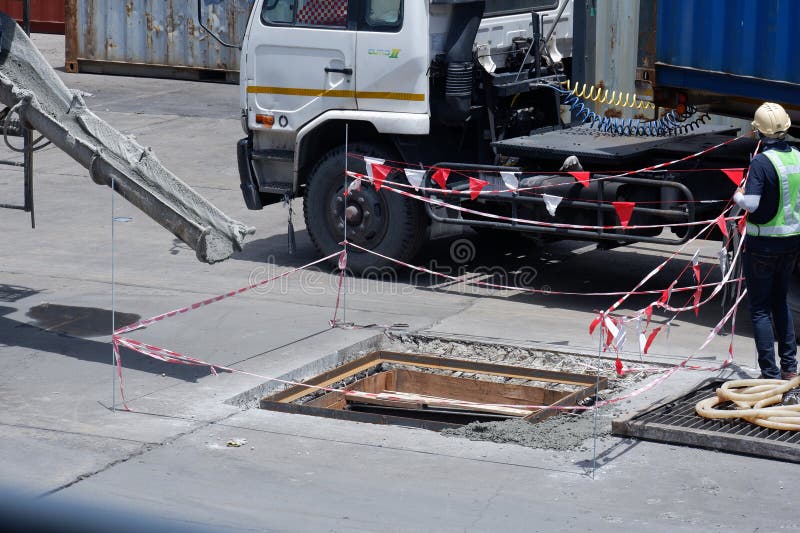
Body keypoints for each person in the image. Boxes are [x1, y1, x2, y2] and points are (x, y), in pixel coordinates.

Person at [734, 102, 800, 380]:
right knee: (780, 301)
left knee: (760, 309)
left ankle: (769, 375)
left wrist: (738, 195)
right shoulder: (797, 156)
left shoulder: (761, 162)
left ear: (758, 131)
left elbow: (751, 203)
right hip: (792, 243)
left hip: (763, 246)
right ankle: (789, 369)